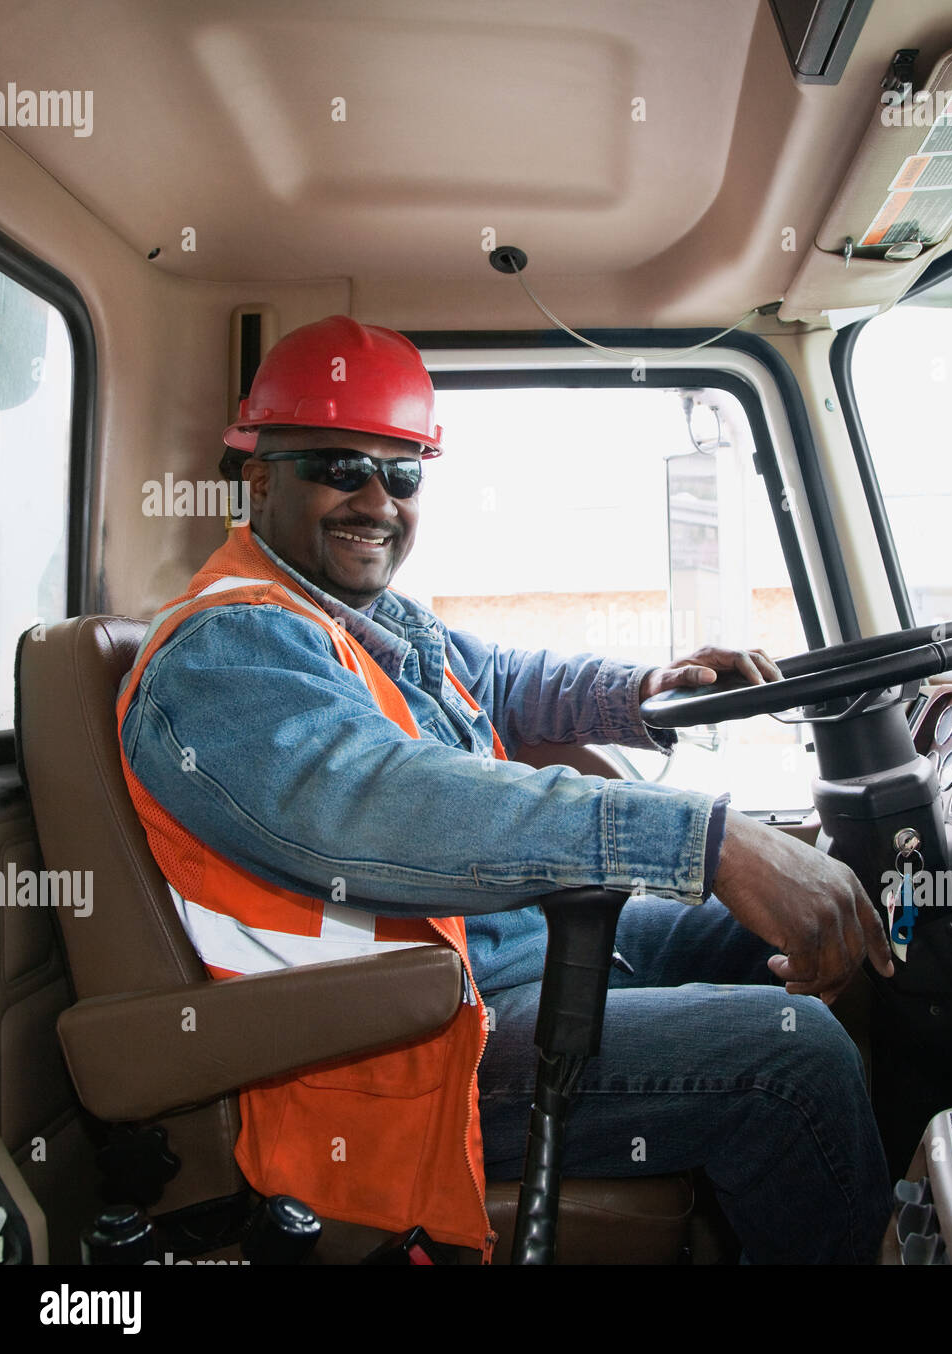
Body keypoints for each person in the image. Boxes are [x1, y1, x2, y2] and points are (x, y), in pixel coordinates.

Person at [117, 315, 894, 1264]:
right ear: (259, 478)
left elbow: (509, 679)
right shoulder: (226, 651)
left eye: (402, 474)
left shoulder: (362, 619)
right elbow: (380, 803)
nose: (376, 498)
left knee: (809, 915)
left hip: (498, 959)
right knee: (796, 1059)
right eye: (337, 466)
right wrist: (702, 840)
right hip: (392, 1041)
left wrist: (647, 690)